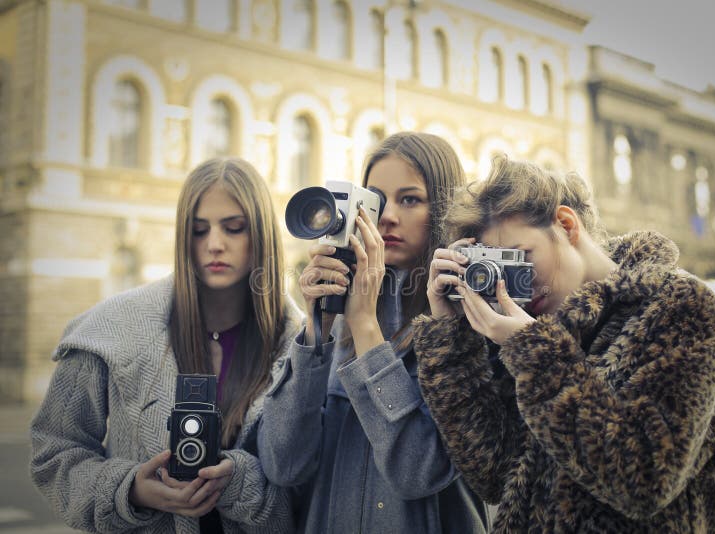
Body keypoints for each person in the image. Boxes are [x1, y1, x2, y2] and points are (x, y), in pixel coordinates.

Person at [412, 155, 715, 533]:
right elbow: (493, 475)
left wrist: (538, 355)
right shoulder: (532, 332)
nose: (513, 284)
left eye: (522, 257)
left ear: (566, 224)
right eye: (501, 268)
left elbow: (645, 480)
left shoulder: (680, 306)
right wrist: (449, 337)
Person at [30, 157, 300, 533]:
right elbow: (54, 452)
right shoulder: (112, 327)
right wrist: (131, 491)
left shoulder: (301, 347)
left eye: (234, 228)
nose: (215, 245)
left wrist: (238, 482)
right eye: (199, 230)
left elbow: (314, 485)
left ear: (262, 236)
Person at [259, 132, 489, 533]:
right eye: (378, 200)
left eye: (411, 199)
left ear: (444, 210)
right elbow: (283, 464)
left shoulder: (468, 328)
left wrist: (365, 325)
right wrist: (317, 329)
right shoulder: (342, 318)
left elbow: (419, 471)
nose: (388, 216)